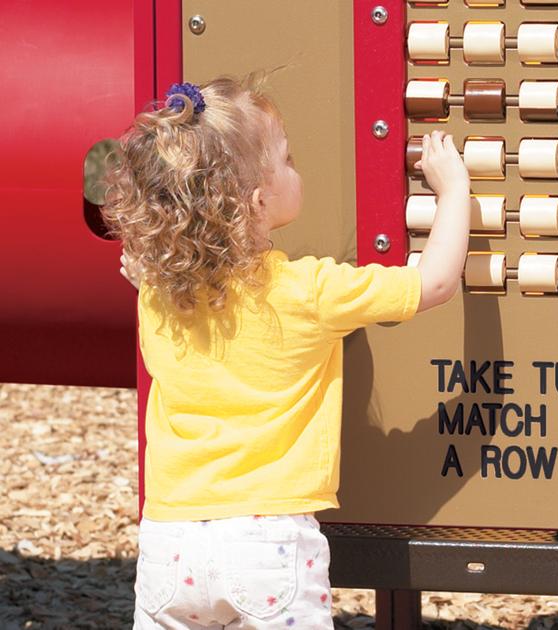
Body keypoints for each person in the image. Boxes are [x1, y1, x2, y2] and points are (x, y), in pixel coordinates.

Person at [102, 73, 471, 629]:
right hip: (265, 542)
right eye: (289, 160)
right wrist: (453, 190)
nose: (297, 168)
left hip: (169, 542)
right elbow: (436, 283)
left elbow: (152, 278)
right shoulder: (309, 291)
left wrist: (147, 269)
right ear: (256, 202)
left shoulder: (158, 295)